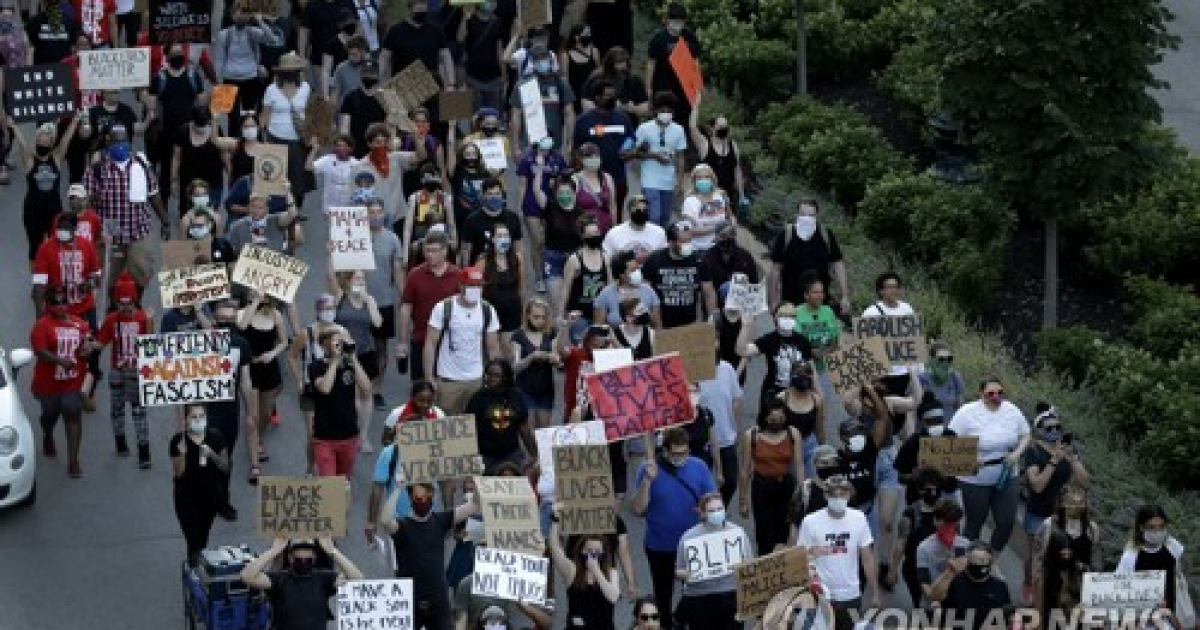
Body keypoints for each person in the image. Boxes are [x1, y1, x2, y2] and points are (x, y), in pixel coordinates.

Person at [632, 428, 717, 630]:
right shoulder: (648, 469)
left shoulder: (699, 467)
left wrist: (705, 511)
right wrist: (647, 482)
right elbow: (637, 509)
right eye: (676, 454)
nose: (682, 458)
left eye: (685, 453)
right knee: (663, 595)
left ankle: (683, 621)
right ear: (665, 451)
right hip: (660, 546)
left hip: (693, 547)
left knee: (696, 592)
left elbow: (713, 500)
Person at [381, 471, 481, 630]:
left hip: (438, 599)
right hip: (409, 599)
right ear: (410, 499)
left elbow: (475, 505)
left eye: (428, 498)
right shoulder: (402, 527)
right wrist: (398, 488)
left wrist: (476, 477)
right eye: (419, 499)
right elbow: (385, 521)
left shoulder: (440, 520)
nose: (424, 502)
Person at [948, 378, 1031, 553]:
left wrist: (1016, 454)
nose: (996, 397)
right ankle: (965, 559)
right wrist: (967, 457)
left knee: (1007, 521)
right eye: (991, 394)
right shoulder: (967, 412)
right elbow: (950, 439)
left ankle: (991, 557)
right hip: (976, 476)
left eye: (1000, 393)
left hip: (1007, 471)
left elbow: (1026, 434)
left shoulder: (1011, 410)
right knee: (975, 521)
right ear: (981, 394)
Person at [83, 122, 169, 290]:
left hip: (138, 227)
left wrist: (165, 222)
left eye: (123, 141)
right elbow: (86, 200)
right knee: (108, 273)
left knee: (141, 270)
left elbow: (153, 195)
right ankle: (111, 306)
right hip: (110, 227)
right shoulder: (97, 168)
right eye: (116, 141)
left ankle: (136, 302)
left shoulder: (141, 165)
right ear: (108, 142)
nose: (120, 145)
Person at [795, 474, 881, 630]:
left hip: (850, 594)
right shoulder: (810, 522)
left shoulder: (859, 518)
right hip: (820, 594)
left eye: (842, 493)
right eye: (834, 494)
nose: (838, 498)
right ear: (826, 495)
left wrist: (875, 591)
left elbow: (867, 557)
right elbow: (800, 558)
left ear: (849, 494)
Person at [30, 286, 98, 478]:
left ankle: (73, 461)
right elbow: (39, 351)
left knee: (72, 412)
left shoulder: (79, 324)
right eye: (55, 303)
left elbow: (89, 340)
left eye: (63, 302)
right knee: (49, 415)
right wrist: (59, 361)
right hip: (48, 383)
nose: (60, 306)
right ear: (48, 305)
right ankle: (48, 434)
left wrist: (88, 347)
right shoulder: (42, 325)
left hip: (72, 381)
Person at [203, 300, 257, 520]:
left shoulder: (241, 344)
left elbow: (245, 380)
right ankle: (208, 498)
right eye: (223, 320)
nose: (227, 324)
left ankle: (222, 500)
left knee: (226, 457)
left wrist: (250, 413)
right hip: (205, 410)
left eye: (231, 320)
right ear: (214, 320)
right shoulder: (202, 343)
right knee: (206, 456)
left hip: (229, 410)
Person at [424, 266, 501, 415]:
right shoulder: (443, 308)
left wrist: (495, 379)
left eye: (479, 286)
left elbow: (493, 347)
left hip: (477, 380)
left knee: (476, 425)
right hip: (448, 381)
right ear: (461, 285)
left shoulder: (488, 310)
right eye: (471, 285)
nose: (476, 289)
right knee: (448, 425)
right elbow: (430, 344)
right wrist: (429, 378)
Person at [241, 537, 365, 630]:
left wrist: (333, 551)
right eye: (299, 560)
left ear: (314, 558)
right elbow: (247, 576)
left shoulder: (323, 578)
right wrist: (274, 551)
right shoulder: (279, 579)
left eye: (308, 560)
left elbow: (357, 579)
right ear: (290, 558)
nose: (303, 563)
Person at [95, 274, 152, 467]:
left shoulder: (144, 318)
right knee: (117, 409)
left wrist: (151, 324)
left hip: (137, 372)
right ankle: (120, 442)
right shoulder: (111, 320)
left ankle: (144, 451)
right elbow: (100, 342)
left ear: (134, 301)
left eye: (128, 303)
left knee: (139, 412)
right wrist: (87, 344)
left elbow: (151, 346)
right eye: (121, 303)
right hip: (117, 372)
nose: (125, 308)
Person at [10, 114, 80, 262]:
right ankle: (36, 282)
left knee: (56, 244)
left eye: (48, 135)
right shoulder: (30, 161)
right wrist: (14, 126)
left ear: (52, 141)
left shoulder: (56, 158)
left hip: (53, 209)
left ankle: (53, 278)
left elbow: (65, 141)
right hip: (33, 210)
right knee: (35, 247)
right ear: (36, 138)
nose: (44, 137)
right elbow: (22, 144)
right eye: (42, 134)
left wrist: (74, 122)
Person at [326, 265, 383, 447]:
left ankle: (364, 435)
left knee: (366, 392)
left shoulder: (370, 300)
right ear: (348, 281)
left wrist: (368, 301)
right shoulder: (340, 296)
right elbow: (330, 278)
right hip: (345, 352)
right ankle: (353, 431)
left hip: (366, 351)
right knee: (353, 394)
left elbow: (377, 323)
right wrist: (331, 255)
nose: (361, 282)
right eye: (357, 279)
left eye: (363, 279)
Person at [739, 399, 805, 555]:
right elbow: (745, 470)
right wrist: (743, 500)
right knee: (764, 532)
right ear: (765, 418)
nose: (778, 423)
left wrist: (802, 491)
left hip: (785, 486)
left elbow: (799, 464)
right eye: (773, 419)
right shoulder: (752, 436)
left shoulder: (792, 433)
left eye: (781, 419)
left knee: (786, 530)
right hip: (762, 488)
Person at [674, 493, 748, 630]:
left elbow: (750, 565)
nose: (717, 513)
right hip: (700, 598)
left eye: (720, 509)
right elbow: (678, 570)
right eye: (712, 511)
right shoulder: (689, 537)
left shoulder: (737, 533)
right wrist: (689, 574)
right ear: (702, 513)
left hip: (730, 597)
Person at [235, 292, 287, 483]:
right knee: (252, 415)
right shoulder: (242, 312)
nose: (260, 292)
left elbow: (283, 341)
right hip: (249, 368)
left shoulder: (275, 314)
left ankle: (257, 439)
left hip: (268, 367)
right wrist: (254, 302)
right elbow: (241, 327)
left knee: (266, 414)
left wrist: (273, 353)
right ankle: (255, 465)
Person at [171, 403, 230, 566]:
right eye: (194, 417)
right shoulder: (178, 441)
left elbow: (225, 467)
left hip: (209, 497)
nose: (198, 420)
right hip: (186, 498)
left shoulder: (216, 437)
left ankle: (196, 565)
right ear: (186, 420)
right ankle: (194, 567)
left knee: (203, 536)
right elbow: (178, 473)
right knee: (193, 537)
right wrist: (182, 453)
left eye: (202, 416)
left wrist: (212, 454)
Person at [1031, 487, 1100, 626]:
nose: (1075, 506)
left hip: (1080, 589)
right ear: (1062, 502)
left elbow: (1096, 561)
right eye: (1070, 501)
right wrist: (1037, 593)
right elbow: (1037, 561)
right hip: (1052, 586)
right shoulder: (1049, 525)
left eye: (1080, 502)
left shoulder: (1091, 529)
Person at [769, 199, 851, 314]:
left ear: (817, 216)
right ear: (796, 215)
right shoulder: (787, 235)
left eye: (811, 215)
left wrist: (844, 295)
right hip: (791, 304)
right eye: (803, 214)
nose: (806, 218)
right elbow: (775, 269)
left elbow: (838, 264)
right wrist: (773, 301)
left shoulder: (825, 235)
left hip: (820, 302)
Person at [398, 231, 460, 381]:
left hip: (449, 341)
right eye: (427, 250)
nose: (429, 255)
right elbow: (406, 309)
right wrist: (403, 342)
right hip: (421, 338)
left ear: (445, 251)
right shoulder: (415, 275)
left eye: (434, 251)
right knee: (420, 386)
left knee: (446, 385)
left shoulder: (457, 275)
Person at [309, 328, 370, 480]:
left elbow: (367, 388)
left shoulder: (351, 365)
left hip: (349, 434)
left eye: (345, 340)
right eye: (337, 341)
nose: (341, 345)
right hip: (324, 437)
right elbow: (325, 388)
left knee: (344, 482)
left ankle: (342, 504)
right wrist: (335, 361)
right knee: (330, 486)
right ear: (324, 345)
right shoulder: (316, 367)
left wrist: (353, 359)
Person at [1116, 505, 1191, 625]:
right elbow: (1120, 588)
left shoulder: (1172, 546)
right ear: (1141, 527)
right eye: (1151, 527)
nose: (1157, 532)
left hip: (1173, 615)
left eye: (1161, 527)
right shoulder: (1131, 556)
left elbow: (1182, 574)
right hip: (1144, 619)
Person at [892, 469, 956, 608]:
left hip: (942, 569)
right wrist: (893, 570)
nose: (933, 493)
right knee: (923, 606)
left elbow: (956, 540)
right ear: (921, 491)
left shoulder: (949, 511)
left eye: (937, 489)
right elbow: (900, 543)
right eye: (929, 489)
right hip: (916, 571)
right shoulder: (910, 514)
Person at [571, 78, 636, 208]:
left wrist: (628, 149)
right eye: (608, 95)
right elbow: (576, 149)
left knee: (615, 214)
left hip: (618, 177)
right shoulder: (584, 121)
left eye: (613, 95)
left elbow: (631, 139)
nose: (612, 98)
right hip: (592, 178)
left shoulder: (623, 118)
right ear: (597, 98)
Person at [516, 136, 569, 294]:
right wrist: (520, 207)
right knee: (537, 241)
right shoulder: (527, 160)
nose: (545, 151)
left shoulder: (557, 158)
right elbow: (522, 185)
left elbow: (564, 178)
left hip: (551, 203)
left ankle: (551, 271)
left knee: (549, 240)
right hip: (531, 204)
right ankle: (539, 278)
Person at [736, 301, 814, 408]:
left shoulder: (803, 341)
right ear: (775, 319)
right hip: (773, 395)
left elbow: (811, 370)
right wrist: (745, 327)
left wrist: (817, 393)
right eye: (783, 316)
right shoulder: (769, 339)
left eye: (791, 316)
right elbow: (742, 351)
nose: (788, 319)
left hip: (798, 395)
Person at [260, 52, 313, 203]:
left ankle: (296, 211)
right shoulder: (271, 90)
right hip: (275, 139)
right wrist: (263, 141)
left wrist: (313, 141)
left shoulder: (306, 88)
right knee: (276, 180)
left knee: (298, 181)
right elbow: (265, 116)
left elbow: (311, 115)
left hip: (298, 141)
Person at [548, 519, 620, 630]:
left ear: (603, 553)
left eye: (597, 551)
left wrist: (596, 571)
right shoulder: (572, 570)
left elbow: (613, 597)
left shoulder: (611, 573)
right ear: (582, 551)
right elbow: (555, 548)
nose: (593, 555)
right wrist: (556, 520)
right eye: (589, 550)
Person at [466, 358, 535, 472]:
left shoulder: (516, 396)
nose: (491, 378)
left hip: (511, 454)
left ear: (505, 377)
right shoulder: (477, 398)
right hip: (486, 456)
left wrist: (534, 454)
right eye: (488, 374)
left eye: (496, 375)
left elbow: (524, 427)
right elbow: (468, 429)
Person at [213, 9, 281, 124]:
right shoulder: (224, 34)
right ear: (233, 16)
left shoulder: (253, 32)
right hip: (230, 78)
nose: (242, 16)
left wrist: (260, 21)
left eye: (245, 13)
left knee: (249, 114)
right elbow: (219, 59)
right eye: (239, 12)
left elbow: (272, 39)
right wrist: (219, 80)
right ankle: (233, 139)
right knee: (230, 116)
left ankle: (247, 138)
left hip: (250, 78)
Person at [927, 541, 1011, 630]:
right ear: (967, 561)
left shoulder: (1000, 587)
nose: (979, 564)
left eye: (983, 560)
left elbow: (1008, 617)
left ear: (991, 562)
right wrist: (950, 572)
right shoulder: (954, 581)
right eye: (975, 560)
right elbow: (934, 596)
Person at [645, 2, 701, 131]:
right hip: (663, 85)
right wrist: (648, 89)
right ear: (667, 19)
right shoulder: (658, 38)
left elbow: (695, 62)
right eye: (674, 20)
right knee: (663, 117)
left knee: (683, 120)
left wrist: (697, 86)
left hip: (684, 87)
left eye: (680, 20)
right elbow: (651, 64)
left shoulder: (689, 37)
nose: (677, 23)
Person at [688, 99, 750, 216]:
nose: (724, 128)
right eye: (720, 126)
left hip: (727, 196)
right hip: (707, 194)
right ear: (712, 128)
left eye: (726, 126)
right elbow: (692, 128)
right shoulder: (705, 144)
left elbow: (737, 171)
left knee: (727, 228)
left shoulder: (733, 145)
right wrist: (695, 107)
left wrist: (742, 195)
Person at [634, 92, 687, 227]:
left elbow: (680, 157)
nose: (666, 114)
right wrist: (655, 156)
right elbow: (636, 153)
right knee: (654, 215)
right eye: (662, 110)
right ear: (655, 110)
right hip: (649, 180)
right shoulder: (644, 128)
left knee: (664, 217)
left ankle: (661, 244)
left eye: (669, 111)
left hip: (668, 181)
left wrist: (680, 183)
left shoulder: (678, 130)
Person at [508, 44, 574, 151]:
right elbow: (516, 115)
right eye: (538, 59)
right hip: (529, 143)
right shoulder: (524, 84)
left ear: (550, 59)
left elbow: (569, 113)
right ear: (533, 62)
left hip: (555, 141)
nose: (542, 61)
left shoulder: (561, 84)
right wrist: (515, 146)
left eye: (544, 57)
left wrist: (570, 142)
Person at [641, 221, 704, 328]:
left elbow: (707, 292)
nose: (687, 245)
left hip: (690, 322)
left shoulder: (697, 260)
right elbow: (644, 292)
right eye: (683, 241)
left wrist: (702, 321)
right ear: (671, 242)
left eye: (689, 240)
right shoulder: (655, 259)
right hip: (663, 322)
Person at [558, 216, 609, 339]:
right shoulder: (574, 259)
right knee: (579, 344)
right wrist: (560, 315)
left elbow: (610, 286)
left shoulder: (606, 257)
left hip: (599, 313)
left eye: (596, 233)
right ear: (583, 236)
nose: (594, 237)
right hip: (579, 313)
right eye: (590, 234)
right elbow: (565, 288)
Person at [476, 224, 525, 349]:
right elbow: (477, 290)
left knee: (510, 351)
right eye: (500, 236)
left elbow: (522, 288)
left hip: (512, 311)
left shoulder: (517, 260)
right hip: (491, 310)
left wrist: (524, 314)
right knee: (493, 351)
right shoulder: (483, 262)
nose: (504, 239)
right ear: (492, 239)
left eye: (506, 236)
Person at [511, 299, 558, 430]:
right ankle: (531, 452)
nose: (540, 321)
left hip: (546, 389)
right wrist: (530, 357)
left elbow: (556, 358)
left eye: (543, 317)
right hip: (525, 389)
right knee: (529, 432)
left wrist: (551, 358)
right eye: (536, 317)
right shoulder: (518, 336)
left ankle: (541, 452)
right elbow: (515, 367)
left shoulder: (550, 333)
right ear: (527, 316)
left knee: (544, 432)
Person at [171, 106, 226, 216]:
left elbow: (223, 154)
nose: (201, 128)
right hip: (189, 182)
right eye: (198, 125)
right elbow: (176, 157)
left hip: (212, 181)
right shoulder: (183, 132)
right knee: (187, 215)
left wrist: (229, 173)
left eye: (204, 125)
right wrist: (173, 180)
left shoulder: (216, 130)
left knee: (211, 215)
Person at [460, 177, 524, 265]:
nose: (494, 197)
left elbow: (518, 248)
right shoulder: (472, 220)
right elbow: (465, 250)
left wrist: (520, 268)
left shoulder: (513, 218)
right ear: (483, 196)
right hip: (481, 270)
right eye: (490, 194)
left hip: (508, 269)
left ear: (502, 194)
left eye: (497, 193)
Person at [401, 166, 455, 268]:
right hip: (422, 242)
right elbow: (407, 229)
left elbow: (451, 225)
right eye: (428, 177)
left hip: (441, 240)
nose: (431, 179)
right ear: (422, 179)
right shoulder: (414, 198)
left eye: (434, 176)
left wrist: (454, 243)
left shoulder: (445, 198)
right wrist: (405, 255)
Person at [700, 222, 759, 316]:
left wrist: (751, 316)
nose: (728, 239)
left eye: (731, 234)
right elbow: (709, 294)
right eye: (723, 236)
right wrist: (714, 319)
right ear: (716, 238)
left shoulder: (746, 257)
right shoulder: (707, 259)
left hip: (741, 310)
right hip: (717, 309)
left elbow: (754, 287)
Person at [592, 251, 662, 329]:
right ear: (622, 275)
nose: (637, 272)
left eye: (637, 268)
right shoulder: (606, 294)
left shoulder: (649, 291)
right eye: (633, 270)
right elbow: (598, 329)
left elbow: (657, 326)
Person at [456, 1, 505, 111]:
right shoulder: (469, 19)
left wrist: (503, 74)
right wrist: (465, 16)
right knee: (471, 114)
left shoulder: (498, 22)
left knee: (494, 113)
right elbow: (460, 38)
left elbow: (499, 49)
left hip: (493, 76)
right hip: (472, 75)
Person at [580, 46, 649, 118]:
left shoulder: (635, 80)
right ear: (610, 63)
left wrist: (633, 108)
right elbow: (585, 102)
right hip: (600, 122)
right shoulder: (596, 78)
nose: (623, 66)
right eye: (619, 62)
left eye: (625, 62)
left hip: (627, 123)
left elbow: (645, 107)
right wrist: (607, 108)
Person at [782, 364, 825, 480]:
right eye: (799, 372)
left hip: (810, 445)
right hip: (788, 446)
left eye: (807, 373)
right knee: (792, 483)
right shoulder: (783, 397)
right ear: (792, 375)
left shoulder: (816, 400)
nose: (803, 376)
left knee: (811, 485)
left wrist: (824, 451)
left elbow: (819, 429)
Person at [680, 163, 733, 255]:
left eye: (707, 177)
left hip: (721, 247)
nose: (703, 180)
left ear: (712, 179)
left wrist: (732, 225)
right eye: (699, 178)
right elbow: (689, 231)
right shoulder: (690, 201)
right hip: (700, 249)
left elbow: (730, 216)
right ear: (694, 181)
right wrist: (716, 228)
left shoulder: (720, 196)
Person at [307, 133, 361, 210]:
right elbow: (308, 167)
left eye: (344, 146)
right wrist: (314, 149)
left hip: (350, 207)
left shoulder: (356, 164)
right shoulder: (327, 160)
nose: (341, 148)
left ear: (350, 148)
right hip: (330, 207)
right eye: (338, 145)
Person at [572, 142, 618, 233]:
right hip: (585, 231)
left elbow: (612, 207)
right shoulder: (575, 180)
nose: (593, 159)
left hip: (606, 228)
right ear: (581, 159)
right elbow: (571, 209)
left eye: (596, 156)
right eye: (589, 157)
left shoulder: (607, 178)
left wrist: (614, 229)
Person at [919, 343, 966, 420]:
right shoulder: (922, 379)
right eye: (941, 359)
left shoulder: (954, 377)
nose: (945, 362)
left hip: (950, 428)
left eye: (949, 359)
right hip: (929, 428)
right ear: (931, 360)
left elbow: (961, 407)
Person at [560, 24, 598, 114]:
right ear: (576, 37)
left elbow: (597, 72)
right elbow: (565, 78)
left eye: (590, 33)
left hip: (591, 94)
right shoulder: (566, 54)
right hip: (575, 95)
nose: (589, 36)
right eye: (586, 33)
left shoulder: (594, 51)